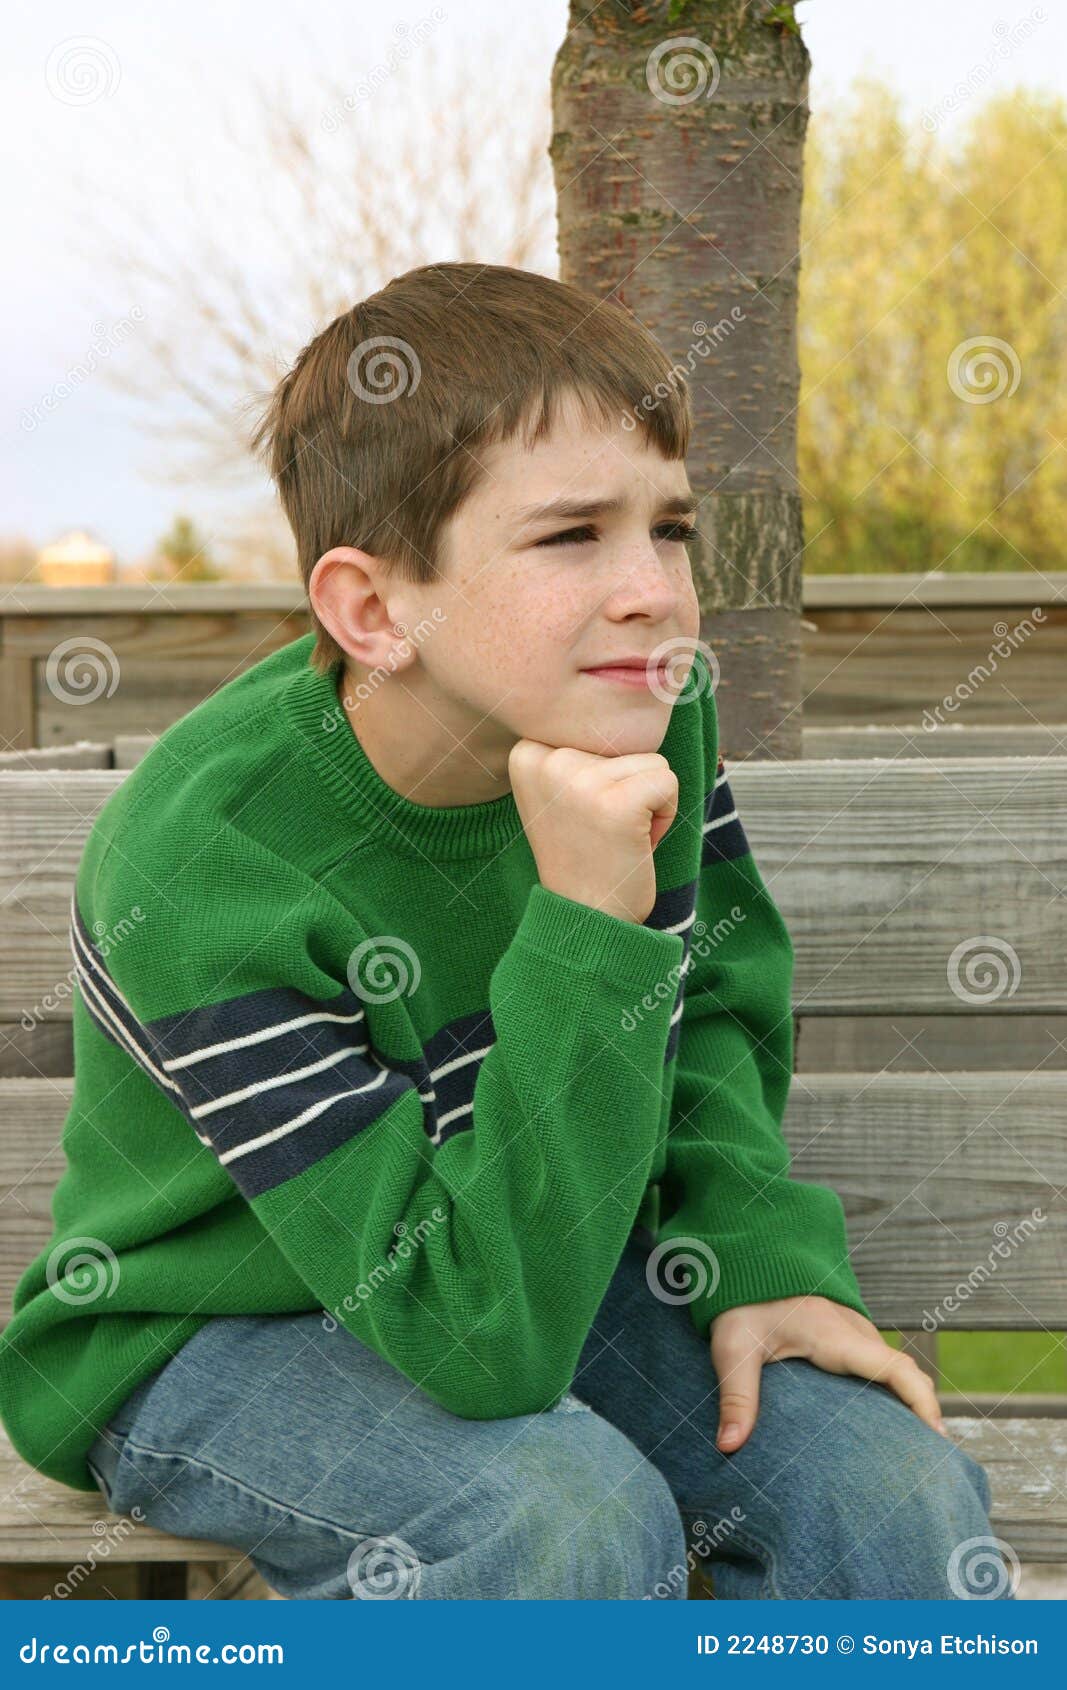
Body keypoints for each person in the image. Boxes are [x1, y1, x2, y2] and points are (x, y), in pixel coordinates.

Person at [0, 263, 1007, 1600]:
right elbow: (481, 1341)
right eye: (570, 535)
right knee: (561, 1518)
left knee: (888, 1493)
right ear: (372, 609)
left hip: (537, 1248)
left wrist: (756, 1255)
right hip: (208, 1328)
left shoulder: (638, 712)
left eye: (672, 526)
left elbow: (703, 1007)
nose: (653, 591)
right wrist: (589, 914)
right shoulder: (212, 860)